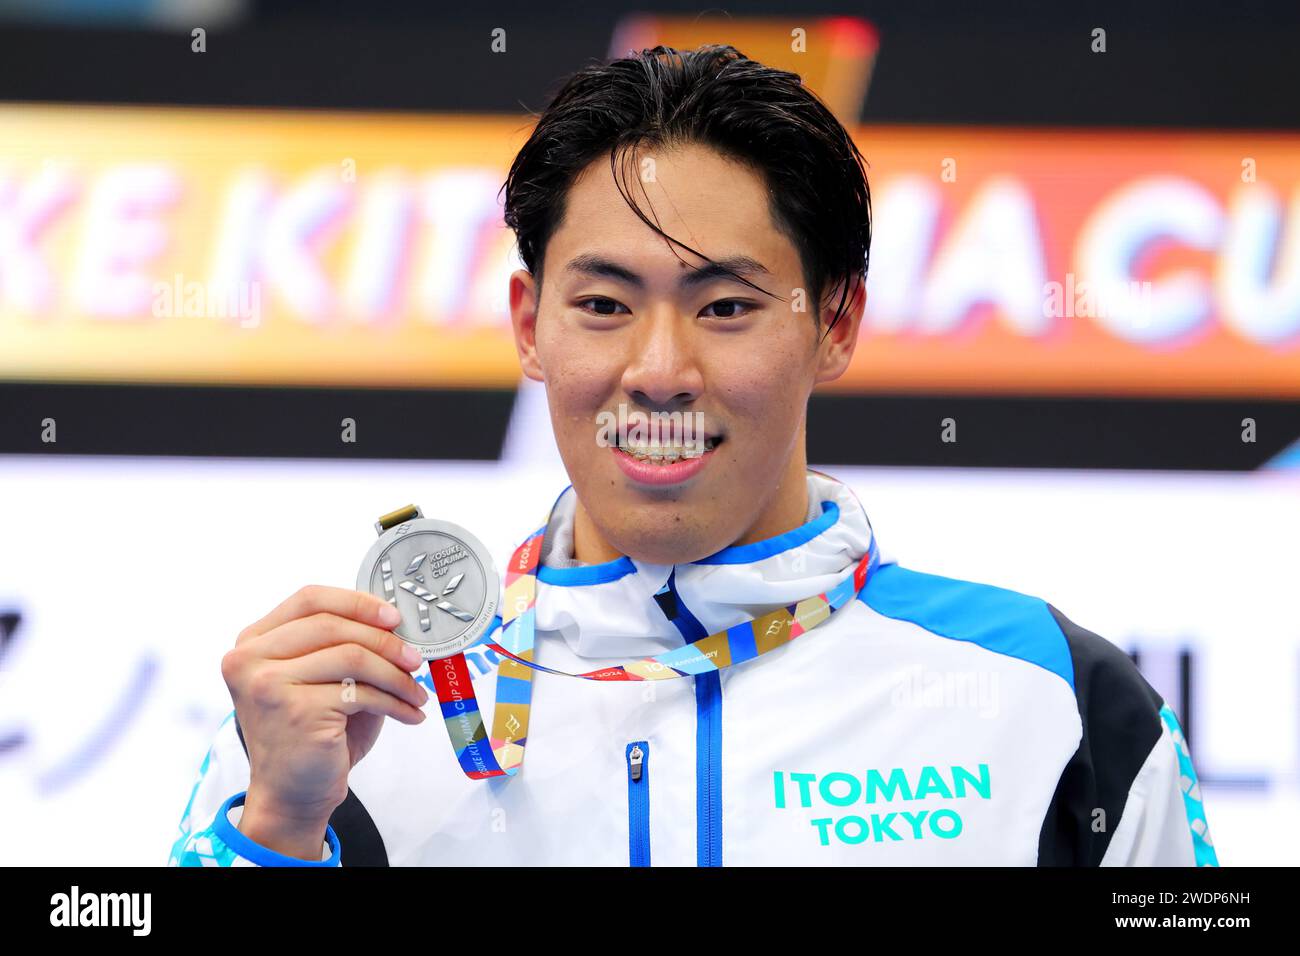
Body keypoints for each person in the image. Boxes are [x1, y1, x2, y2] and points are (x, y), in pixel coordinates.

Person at [169, 44, 1217, 867]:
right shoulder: (332, 716)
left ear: (837, 321)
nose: (658, 368)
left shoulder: (1053, 698)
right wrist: (275, 831)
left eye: (724, 305)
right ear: (530, 325)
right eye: (603, 304)